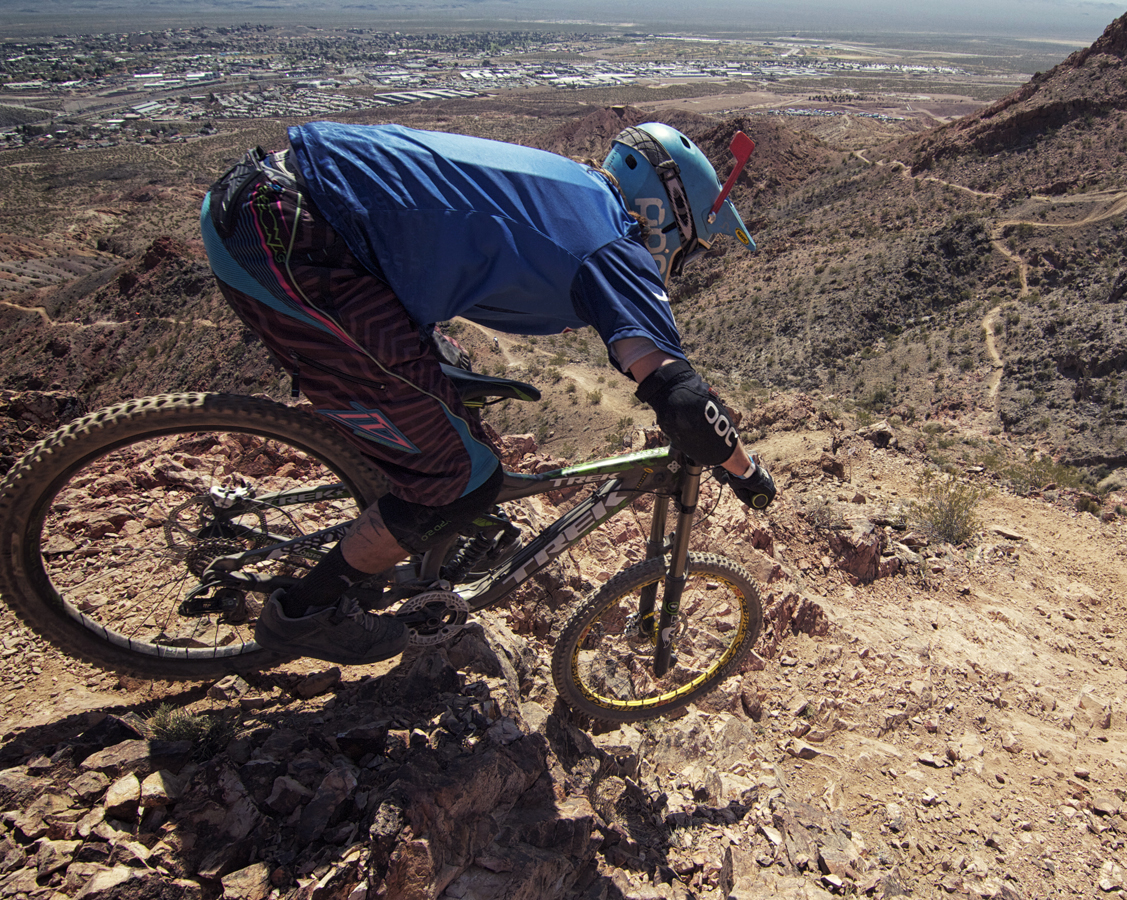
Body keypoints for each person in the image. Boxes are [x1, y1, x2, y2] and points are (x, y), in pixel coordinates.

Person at [200, 120, 777, 666]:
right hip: (297, 243)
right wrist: (745, 471)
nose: (684, 260)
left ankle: (403, 528)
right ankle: (308, 612)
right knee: (461, 485)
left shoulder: (572, 190)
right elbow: (679, 398)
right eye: (693, 245)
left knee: (452, 408)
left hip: (269, 204)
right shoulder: (611, 247)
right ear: (670, 214)